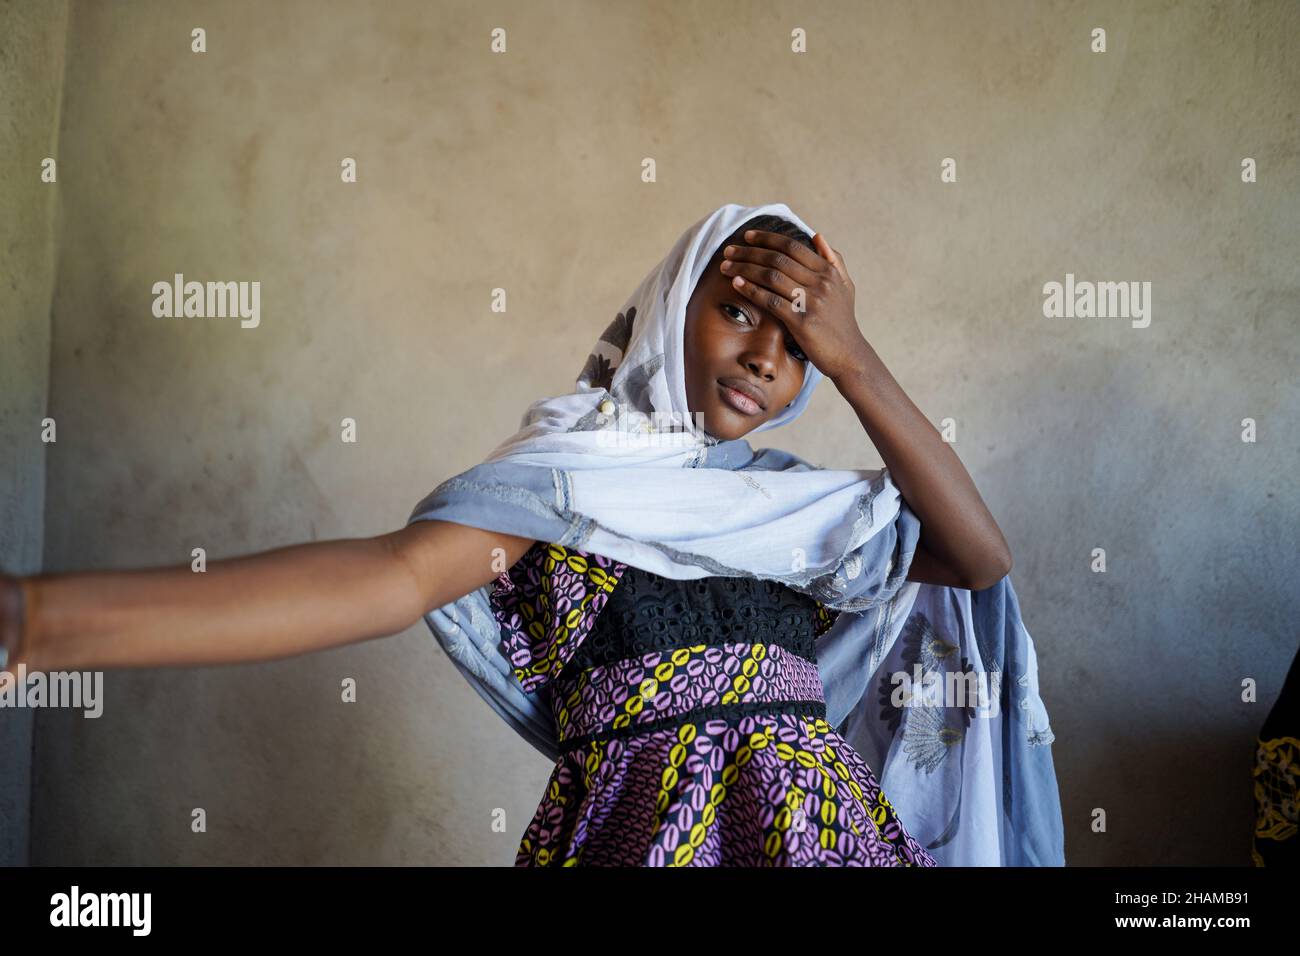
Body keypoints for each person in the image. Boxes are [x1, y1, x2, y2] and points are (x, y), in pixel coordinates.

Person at [0, 201, 1066, 867]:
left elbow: (979, 557)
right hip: (635, 836)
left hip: (821, 837)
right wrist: (37, 620)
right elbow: (383, 578)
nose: (764, 355)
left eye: (798, 341)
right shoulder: (564, 485)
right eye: (741, 309)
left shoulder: (798, 511)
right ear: (669, 306)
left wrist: (857, 356)